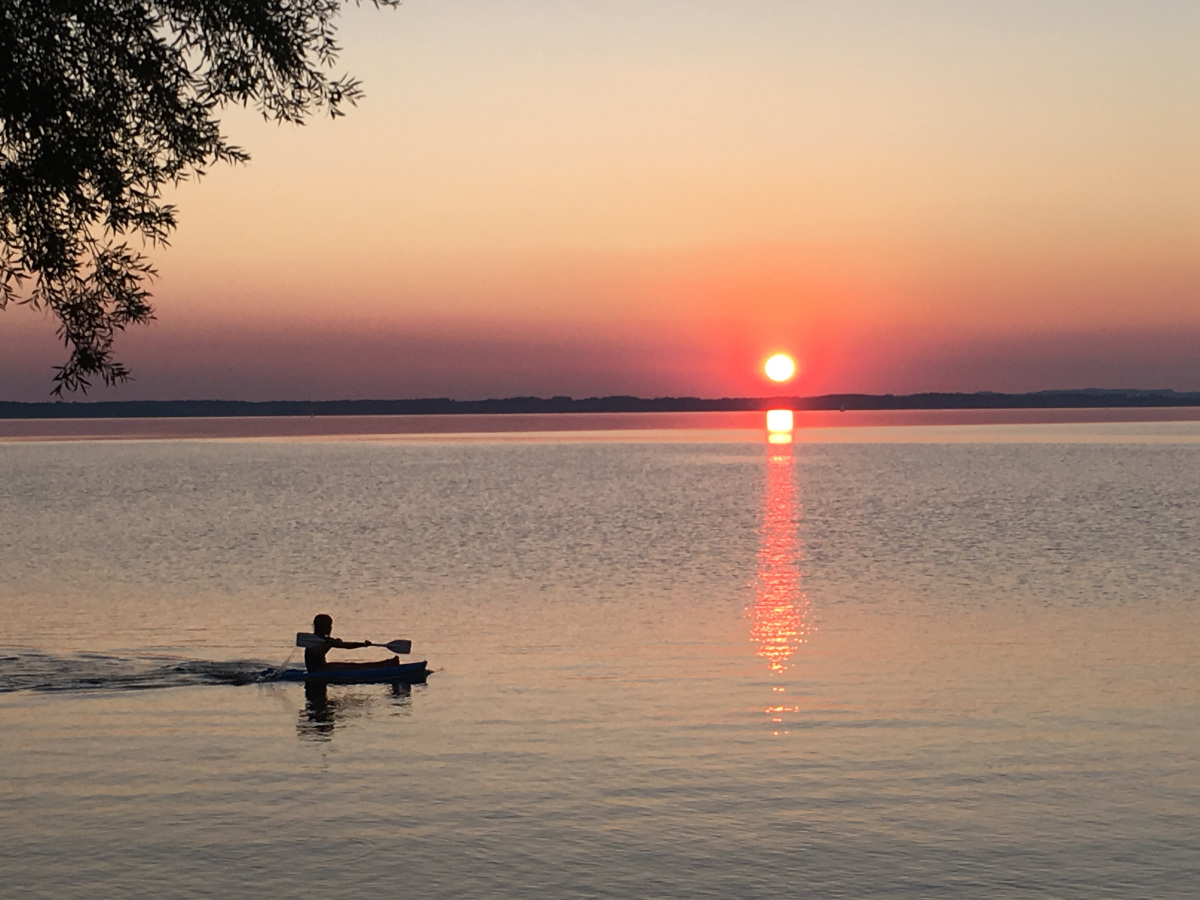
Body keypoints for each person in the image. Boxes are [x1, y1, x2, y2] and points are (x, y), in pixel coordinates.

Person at [304, 614, 399, 672]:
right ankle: (385, 666)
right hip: (318, 671)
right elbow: (315, 652)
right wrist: (330, 643)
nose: (331, 628)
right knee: (350, 668)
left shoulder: (326, 640)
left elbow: (347, 646)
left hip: (325, 668)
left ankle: (385, 664)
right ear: (323, 627)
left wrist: (363, 644)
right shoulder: (311, 641)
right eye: (329, 626)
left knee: (353, 665)